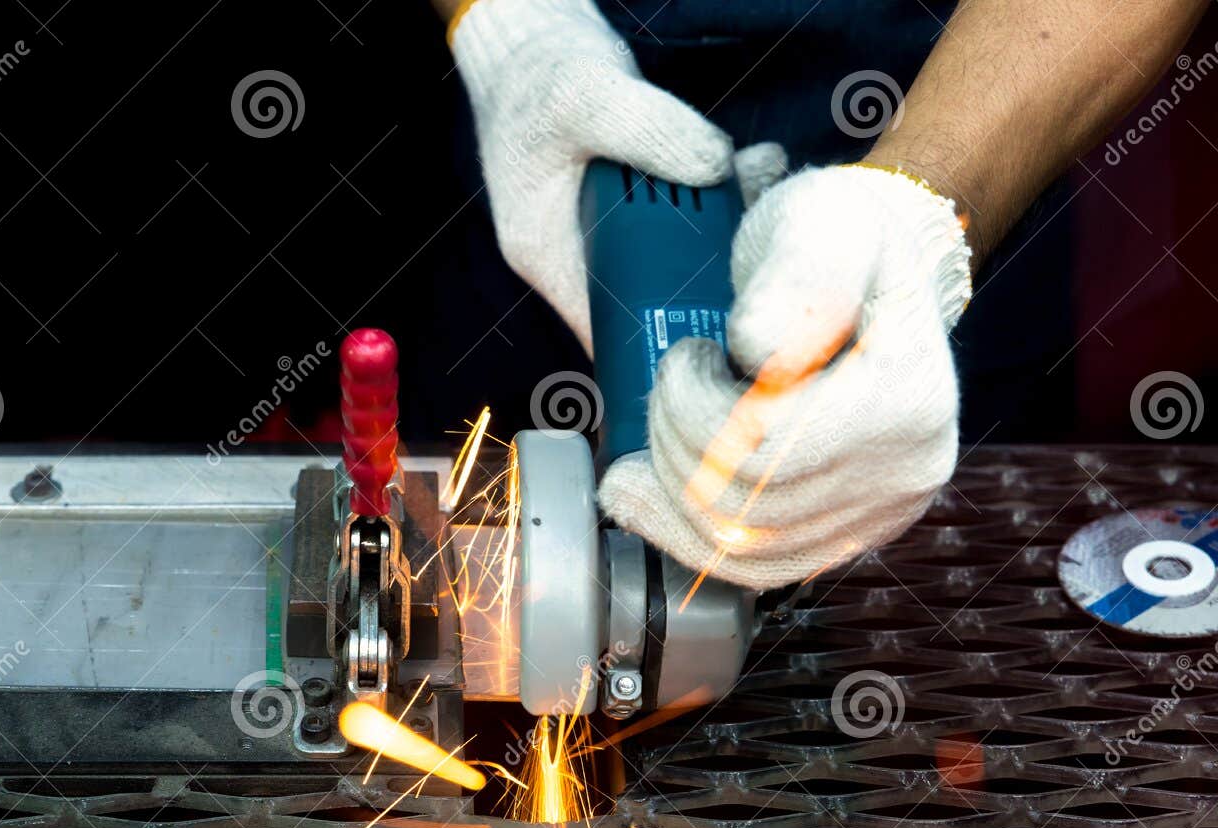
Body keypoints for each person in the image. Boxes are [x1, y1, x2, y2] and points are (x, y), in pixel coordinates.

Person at [432, 0, 1206, 589]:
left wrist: (921, 214)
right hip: (538, 178)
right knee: (480, 600)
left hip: (963, 105)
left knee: (925, 633)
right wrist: (511, 31)